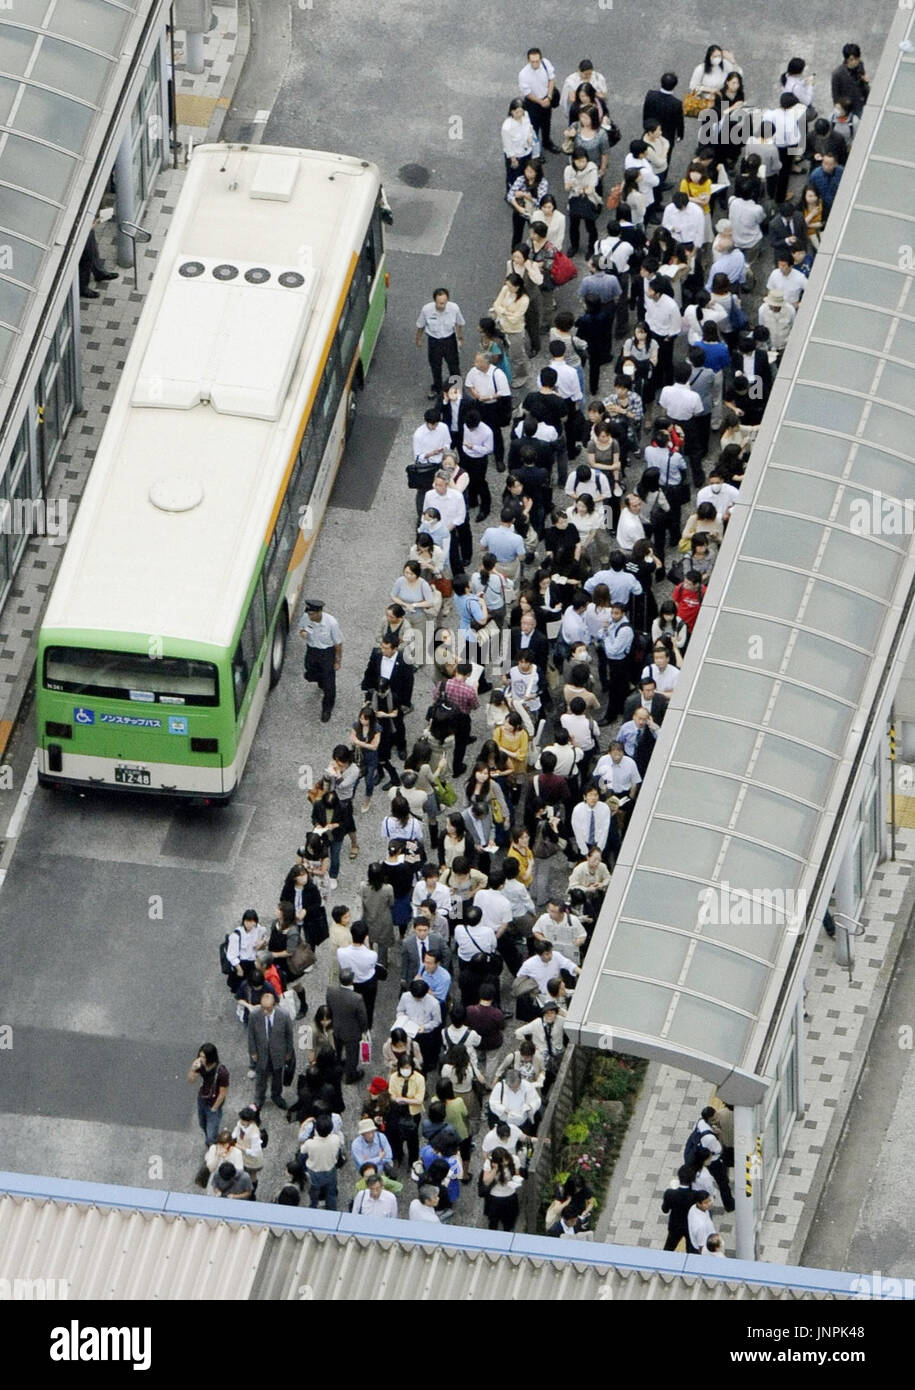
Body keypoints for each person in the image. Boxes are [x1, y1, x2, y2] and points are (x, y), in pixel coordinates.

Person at [248, 991, 294, 1110]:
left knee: (277, 1076)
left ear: (274, 1006)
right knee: (261, 1077)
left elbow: (289, 1035)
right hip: (261, 1053)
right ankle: (259, 1098)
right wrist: (252, 1052)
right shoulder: (254, 1015)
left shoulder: (283, 1015)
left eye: (268, 1008)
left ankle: (276, 1095)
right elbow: (251, 1035)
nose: (265, 1011)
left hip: (278, 1053)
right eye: (263, 1007)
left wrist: (289, 1052)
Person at [298, 598, 342, 723]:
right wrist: (302, 633)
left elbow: (338, 643)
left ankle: (327, 709)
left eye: (311, 614)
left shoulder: (331, 623)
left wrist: (337, 660)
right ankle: (320, 680)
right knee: (310, 674)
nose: (309, 616)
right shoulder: (306, 617)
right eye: (308, 613)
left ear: (319, 613)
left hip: (327, 653)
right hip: (312, 650)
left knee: (329, 684)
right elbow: (301, 629)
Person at [416, 288, 465, 398]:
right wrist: (418, 339)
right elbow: (421, 326)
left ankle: (456, 389)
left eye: (444, 302)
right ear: (435, 301)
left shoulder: (454, 308)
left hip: (449, 340)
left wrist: (460, 338)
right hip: (434, 341)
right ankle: (437, 388)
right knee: (435, 366)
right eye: (440, 303)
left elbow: (459, 323)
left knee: (454, 366)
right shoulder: (426, 310)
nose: (442, 305)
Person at [326, 968, 369, 1084]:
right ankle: (350, 1076)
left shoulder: (331, 991)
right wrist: (364, 1030)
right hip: (352, 1032)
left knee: (337, 1050)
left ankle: (338, 1066)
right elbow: (363, 1018)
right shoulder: (357, 998)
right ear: (352, 981)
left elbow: (329, 1008)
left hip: (336, 1027)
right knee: (352, 1056)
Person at [300, 1111, 344, 1209]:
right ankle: (332, 1210)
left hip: (315, 1172)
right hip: (330, 1170)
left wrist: (304, 1124)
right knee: (331, 1192)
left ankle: (314, 1207)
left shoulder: (310, 1143)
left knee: (315, 1191)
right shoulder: (335, 1139)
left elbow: (302, 1151)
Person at [188, 1043, 229, 1148]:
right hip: (203, 1098)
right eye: (200, 1056)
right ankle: (210, 1141)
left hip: (213, 1103)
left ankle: (213, 1145)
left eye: (203, 1057)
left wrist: (214, 1108)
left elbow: (223, 1092)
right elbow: (191, 1080)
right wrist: (193, 1069)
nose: (201, 1059)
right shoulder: (200, 1065)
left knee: (212, 1133)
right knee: (202, 1124)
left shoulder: (222, 1072)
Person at [519, 46, 558, 153]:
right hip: (533, 103)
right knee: (534, 127)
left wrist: (549, 97)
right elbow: (527, 93)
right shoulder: (524, 74)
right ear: (528, 60)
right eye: (532, 62)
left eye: (537, 61)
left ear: (541, 59)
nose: (535, 64)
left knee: (546, 123)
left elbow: (551, 79)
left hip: (546, 98)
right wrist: (541, 102)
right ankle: (536, 151)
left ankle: (547, 142)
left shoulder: (546, 64)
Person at [481, 1147, 525, 1230]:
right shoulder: (489, 1163)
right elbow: (486, 1181)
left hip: (510, 1194)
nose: (506, 1162)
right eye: (503, 1162)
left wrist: (514, 1180)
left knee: (509, 1221)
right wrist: (495, 1169)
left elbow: (517, 1174)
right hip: (494, 1196)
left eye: (506, 1159)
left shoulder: (514, 1159)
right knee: (493, 1221)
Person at [661, 1165, 702, 1251]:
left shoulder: (669, 1193)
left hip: (675, 1225)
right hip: (690, 1226)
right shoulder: (695, 1195)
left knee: (669, 1248)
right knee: (691, 1249)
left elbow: (665, 1210)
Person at [502, 97, 536, 189]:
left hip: (527, 151)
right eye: (516, 112)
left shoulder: (526, 116)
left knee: (525, 172)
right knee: (513, 176)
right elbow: (508, 145)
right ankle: (511, 193)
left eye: (521, 111)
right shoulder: (507, 127)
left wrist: (530, 136)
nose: (519, 114)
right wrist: (513, 159)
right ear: (511, 112)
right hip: (516, 156)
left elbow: (529, 127)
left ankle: (523, 189)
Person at [78, 221, 118, 299]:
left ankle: (99, 272)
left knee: (93, 251)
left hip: (85, 227)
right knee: (85, 260)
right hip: (79, 230)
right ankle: (83, 288)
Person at [831, 42, 869, 119]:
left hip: (862, 101)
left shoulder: (860, 64)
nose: (855, 62)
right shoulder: (837, 74)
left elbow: (863, 80)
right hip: (848, 107)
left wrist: (865, 81)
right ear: (847, 59)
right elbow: (835, 95)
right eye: (852, 59)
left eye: (857, 59)